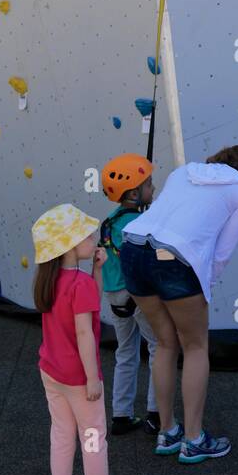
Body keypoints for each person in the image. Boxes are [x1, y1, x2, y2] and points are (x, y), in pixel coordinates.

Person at [118, 147, 238, 464]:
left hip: (131, 247)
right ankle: (194, 439)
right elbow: (221, 254)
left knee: (165, 342)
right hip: (175, 259)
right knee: (195, 345)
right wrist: (202, 289)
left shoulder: (183, 172)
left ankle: (168, 431)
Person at [32, 203, 136, 475]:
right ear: (69, 245)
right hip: (79, 378)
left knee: (62, 434)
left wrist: (98, 270)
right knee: (92, 436)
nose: (94, 239)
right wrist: (93, 378)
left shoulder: (50, 281)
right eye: (87, 235)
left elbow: (88, 306)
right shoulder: (78, 285)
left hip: (51, 372)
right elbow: (84, 334)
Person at [99, 153, 159, 437]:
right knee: (159, 347)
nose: (153, 188)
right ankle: (157, 414)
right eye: (149, 185)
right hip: (137, 294)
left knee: (126, 351)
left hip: (114, 296)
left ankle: (121, 414)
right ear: (134, 193)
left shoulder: (111, 221)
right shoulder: (137, 225)